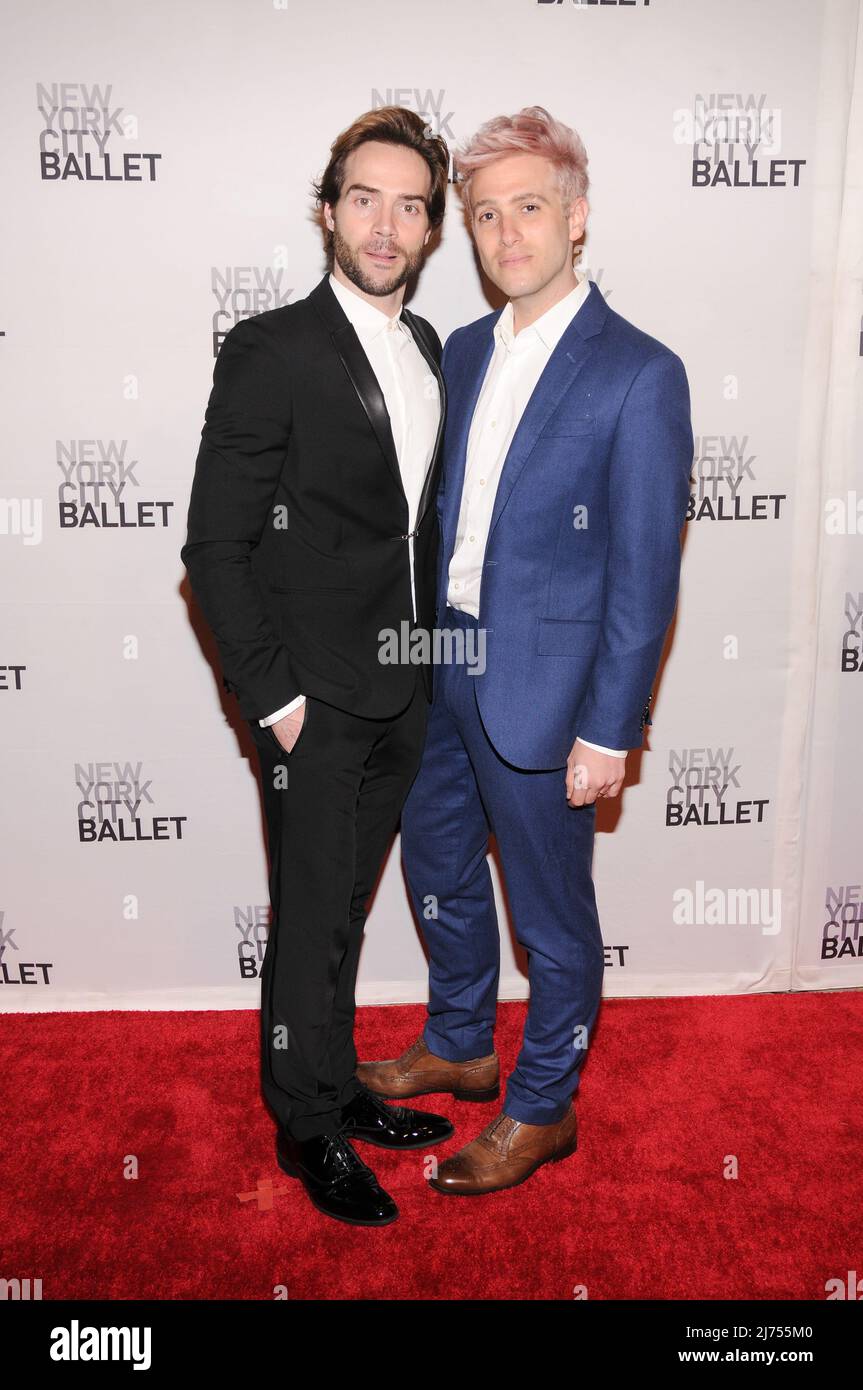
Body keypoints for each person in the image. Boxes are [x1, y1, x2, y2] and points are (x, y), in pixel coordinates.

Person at [358, 106, 694, 1196]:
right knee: (437, 864)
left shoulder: (639, 373)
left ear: (576, 217)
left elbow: (644, 573)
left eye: (530, 209)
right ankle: (460, 1038)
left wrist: (611, 727)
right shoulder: (459, 349)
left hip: (546, 690)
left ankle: (542, 1108)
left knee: (551, 918)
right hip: (441, 659)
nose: (507, 234)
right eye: (487, 214)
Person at [181, 106, 454, 1226]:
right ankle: (304, 1128)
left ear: (431, 227)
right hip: (312, 698)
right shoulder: (270, 349)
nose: (384, 226)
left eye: (409, 205)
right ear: (327, 209)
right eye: (364, 199)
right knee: (306, 918)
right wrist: (276, 700)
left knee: (341, 905)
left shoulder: (429, 348)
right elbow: (213, 547)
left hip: (401, 683)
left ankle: (338, 1087)